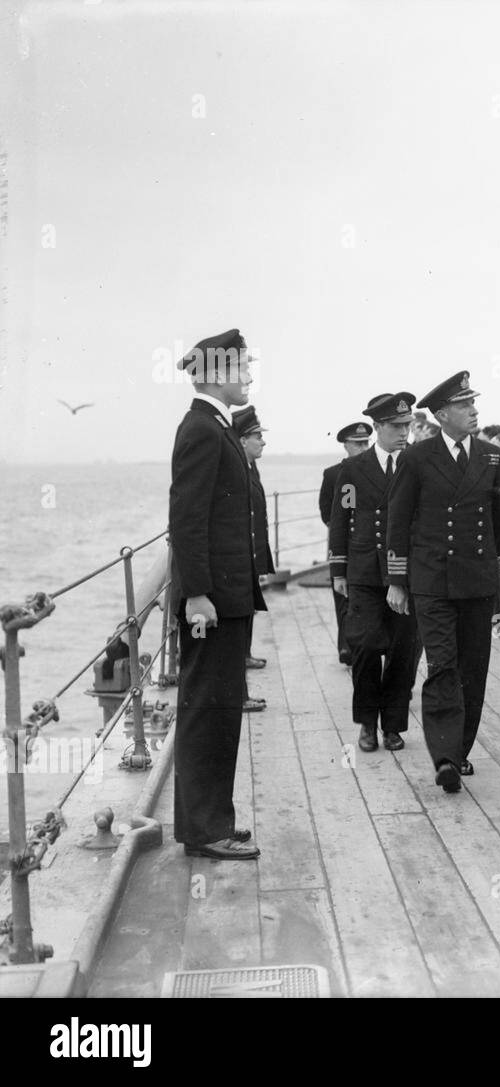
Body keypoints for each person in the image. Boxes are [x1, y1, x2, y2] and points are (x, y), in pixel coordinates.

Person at [385, 371, 500, 793]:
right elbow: (398, 520)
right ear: (442, 414)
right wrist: (397, 579)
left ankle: (459, 750)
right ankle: (444, 756)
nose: (474, 411)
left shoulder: (494, 458)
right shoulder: (416, 458)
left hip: (479, 583)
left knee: (473, 669)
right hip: (432, 581)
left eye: (474, 404)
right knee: (442, 664)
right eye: (464, 406)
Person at [169, 328, 263, 861]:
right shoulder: (203, 429)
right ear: (219, 373)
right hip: (213, 602)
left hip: (228, 598)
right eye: (244, 366)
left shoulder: (216, 426)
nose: (250, 374)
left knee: (220, 707)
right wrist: (198, 596)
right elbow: (187, 519)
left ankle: (211, 820)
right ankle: (205, 831)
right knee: (208, 708)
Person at [329, 392, 421, 753]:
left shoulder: (417, 464)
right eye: (396, 426)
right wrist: (338, 568)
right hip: (365, 574)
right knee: (365, 647)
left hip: (408, 575)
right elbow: (341, 519)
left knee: (403, 651)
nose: (404, 432)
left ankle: (393, 725)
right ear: (379, 427)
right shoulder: (353, 470)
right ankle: (367, 722)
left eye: (408, 425)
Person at [320, 422, 374, 665]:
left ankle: (357, 647)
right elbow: (327, 512)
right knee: (343, 601)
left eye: (366, 443)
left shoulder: (380, 470)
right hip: (345, 546)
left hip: (370, 549)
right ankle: (345, 647)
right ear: (346, 445)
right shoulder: (334, 474)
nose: (363, 448)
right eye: (357, 444)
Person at [233, 406, 272, 714]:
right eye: (258, 436)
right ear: (243, 439)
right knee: (238, 626)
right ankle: (238, 695)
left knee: (246, 621)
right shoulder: (239, 470)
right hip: (240, 561)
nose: (263, 442)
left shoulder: (250, 468)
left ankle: (241, 689)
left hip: (251, 558)